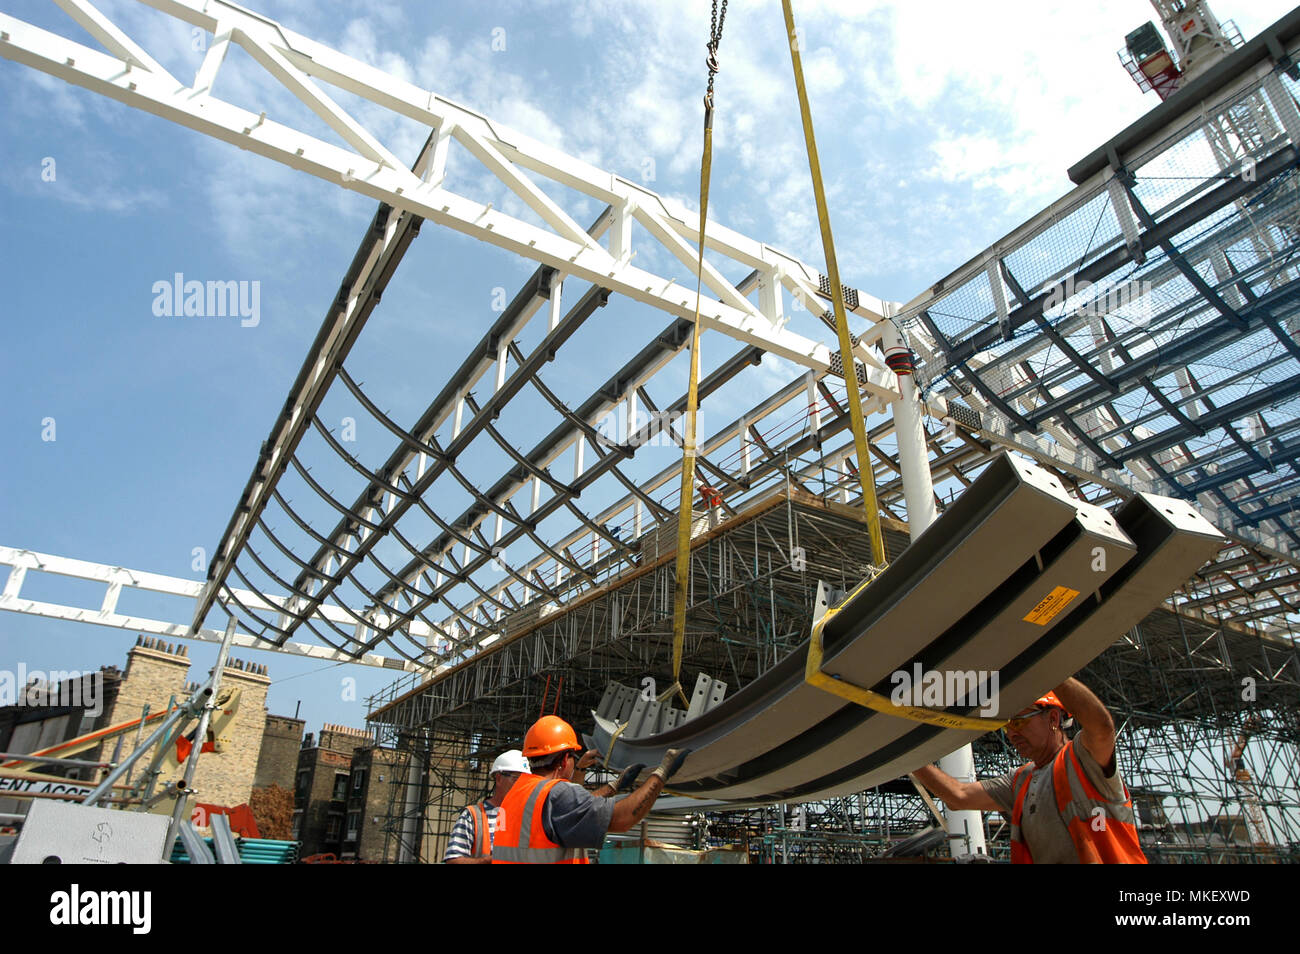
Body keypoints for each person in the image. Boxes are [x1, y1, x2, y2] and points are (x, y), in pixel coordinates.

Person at [912, 677, 1147, 864]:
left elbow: (1102, 728)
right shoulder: (1021, 782)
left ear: (1053, 718)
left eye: (1019, 722)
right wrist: (906, 757)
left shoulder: (1082, 760)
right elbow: (958, 796)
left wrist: (1043, 667)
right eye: (1007, 727)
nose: (1012, 734)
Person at [490, 715, 689, 863]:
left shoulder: (516, 795)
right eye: (572, 757)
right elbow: (622, 819)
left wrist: (613, 787)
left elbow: (571, 813)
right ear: (562, 760)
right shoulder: (556, 794)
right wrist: (661, 773)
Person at [443, 749, 529, 864]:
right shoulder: (473, 816)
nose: (521, 786)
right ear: (498, 778)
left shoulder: (530, 815)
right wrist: (488, 861)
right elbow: (453, 861)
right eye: (516, 779)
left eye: (526, 781)